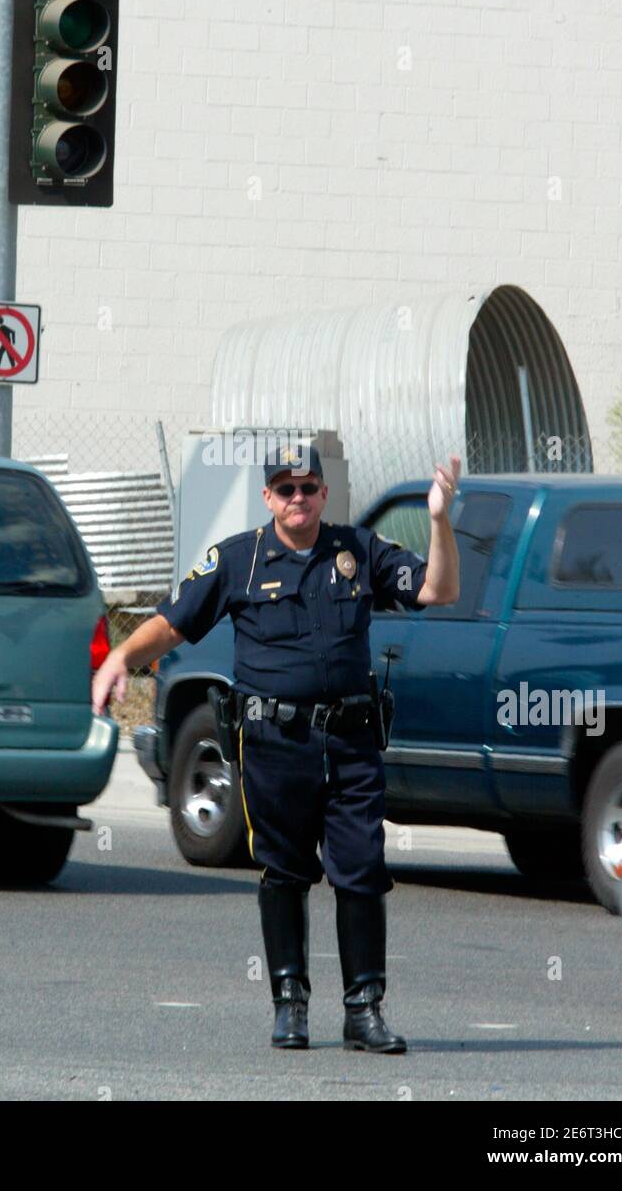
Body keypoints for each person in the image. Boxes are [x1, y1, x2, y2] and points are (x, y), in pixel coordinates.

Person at [92, 444, 461, 1053]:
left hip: (350, 741)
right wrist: (122, 660)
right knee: (284, 872)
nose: (298, 499)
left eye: (309, 488)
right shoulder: (237, 559)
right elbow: (175, 619)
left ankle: (363, 1011)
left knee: (362, 872)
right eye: (285, 489)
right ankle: (290, 1004)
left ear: (323, 494)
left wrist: (440, 519)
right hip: (274, 743)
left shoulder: (357, 552)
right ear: (268, 497)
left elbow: (438, 590)